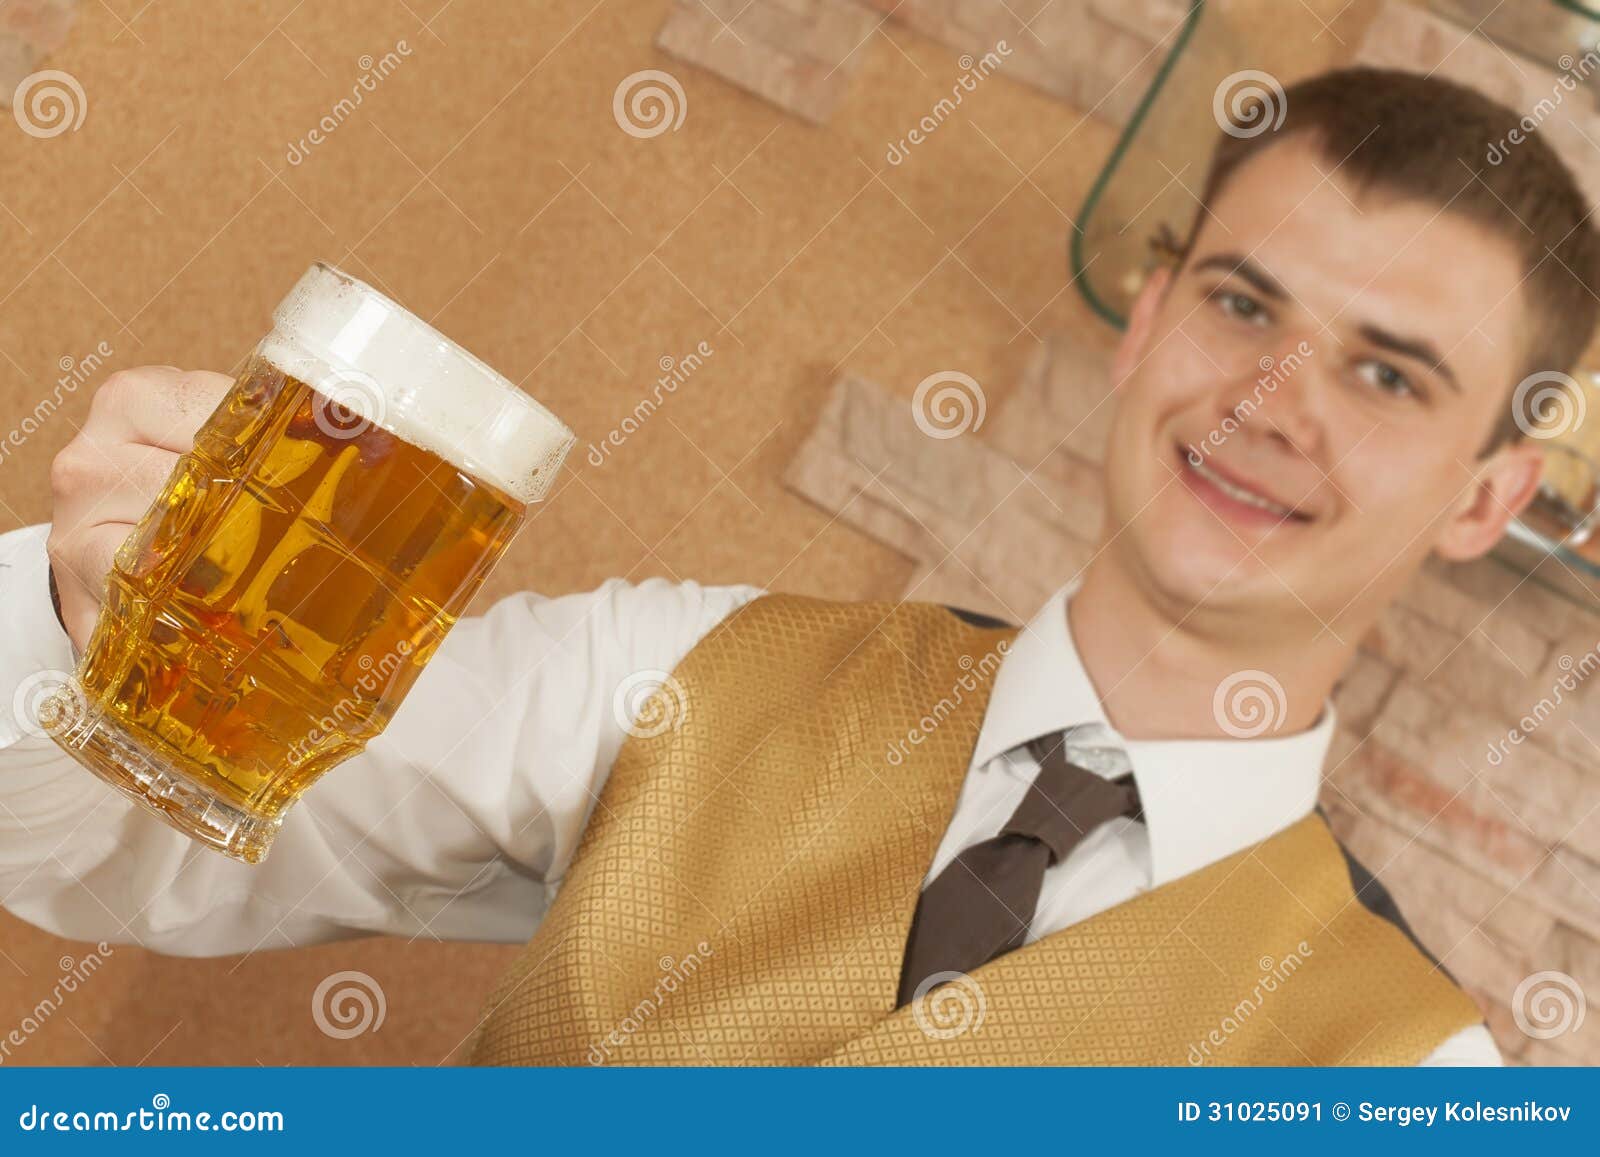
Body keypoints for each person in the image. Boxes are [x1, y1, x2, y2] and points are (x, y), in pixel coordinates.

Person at [1, 67, 1593, 1065]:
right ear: (1151, 318)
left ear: (1486, 490)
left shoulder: (1404, 1073)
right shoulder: (678, 672)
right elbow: (113, 850)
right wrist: (80, 624)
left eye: (1388, 375)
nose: (1269, 405)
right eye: (1243, 306)